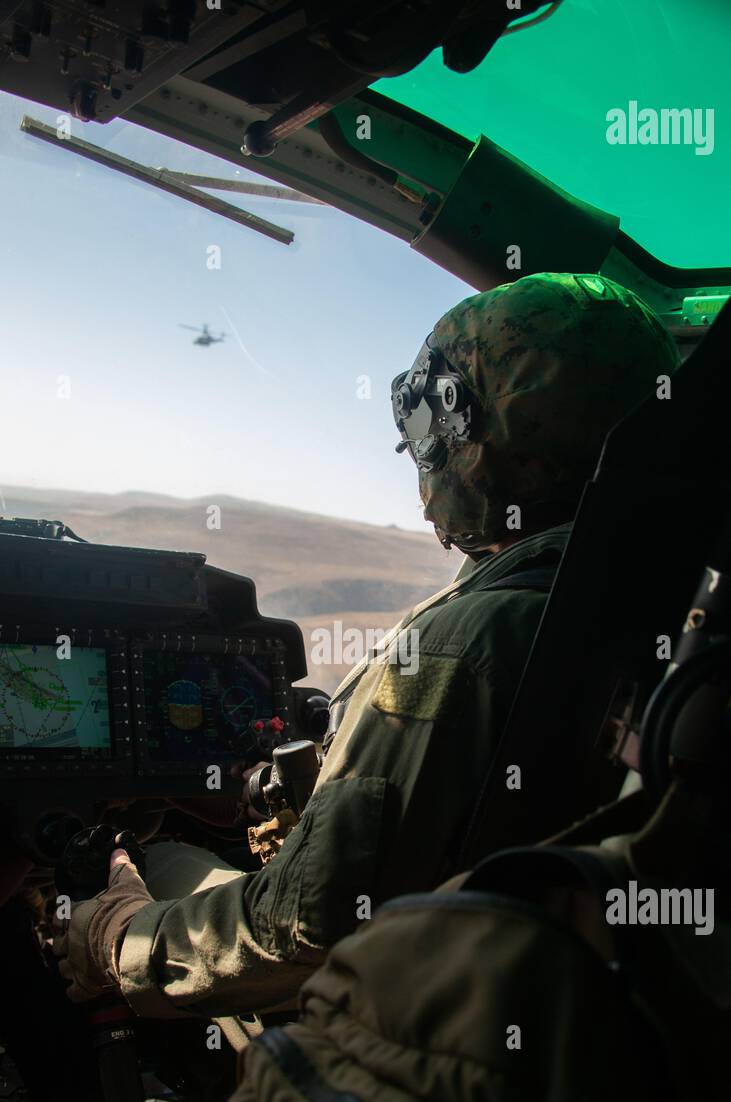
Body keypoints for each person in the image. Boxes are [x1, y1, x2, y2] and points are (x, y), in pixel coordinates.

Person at [55, 272, 680, 1021]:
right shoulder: (662, 593)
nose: (414, 451)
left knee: (144, 866)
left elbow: (304, 926)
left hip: (427, 1035)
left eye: (427, 422)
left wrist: (115, 935)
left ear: (479, 433)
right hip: (589, 1016)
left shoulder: (469, 643)